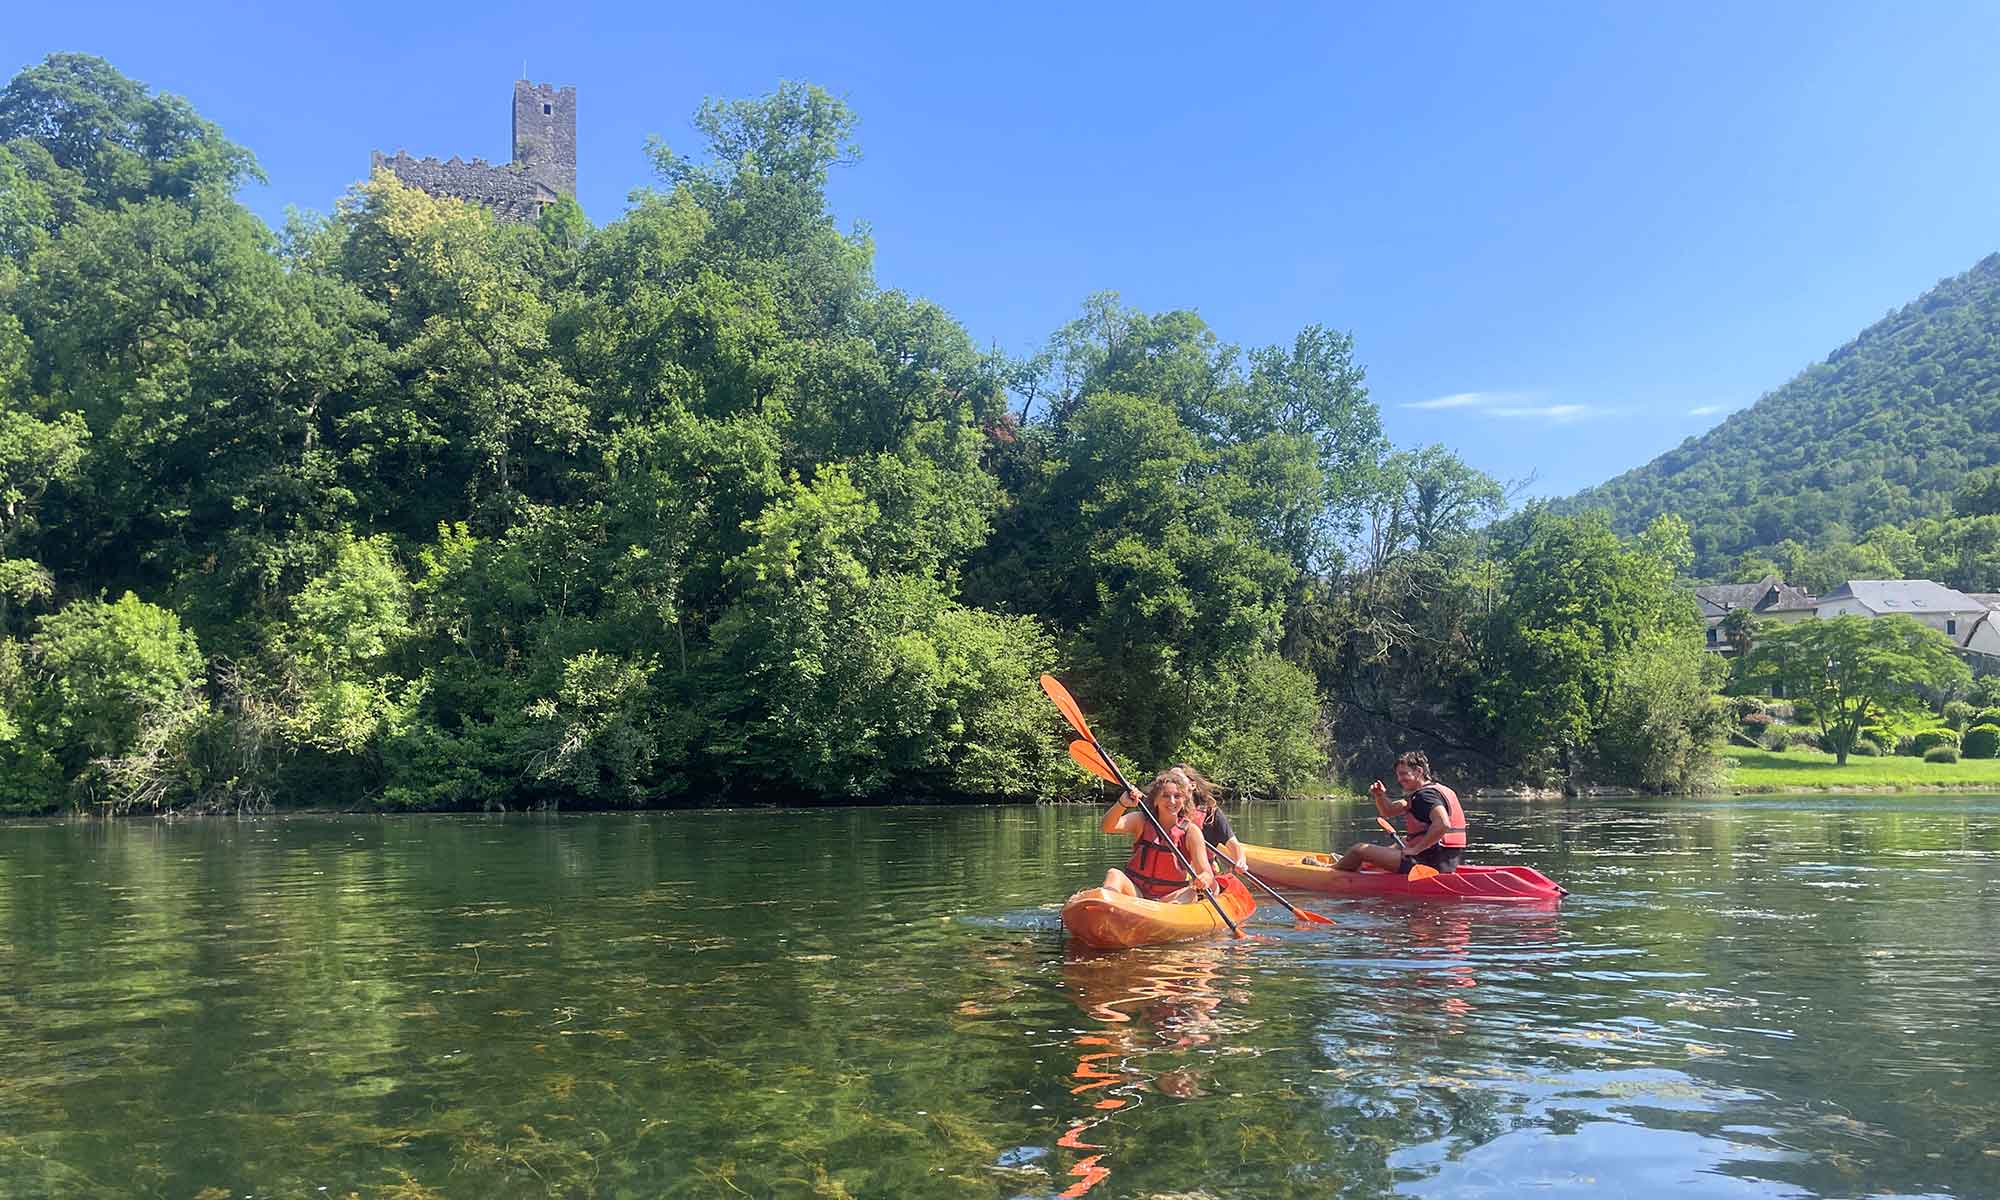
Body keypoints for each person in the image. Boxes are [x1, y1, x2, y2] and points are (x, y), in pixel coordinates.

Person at [1331, 749, 1467, 874]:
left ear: (1419, 771)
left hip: (1425, 865)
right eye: (1398, 775)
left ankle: (1331, 871)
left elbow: (1443, 824)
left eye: (1403, 774)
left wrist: (1415, 849)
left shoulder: (1425, 796)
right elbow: (1388, 811)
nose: (1399, 779)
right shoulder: (1432, 792)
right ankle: (1354, 863)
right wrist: (1380, 795)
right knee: (1396, 845)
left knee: (1359, 850)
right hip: (1446, 863)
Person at [1097, 767, 1217, 900]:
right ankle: (1106, 909)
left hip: (1170, 898)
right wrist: (1122, 804)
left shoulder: (1191, 832)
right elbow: (1106, 827)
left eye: (1177, 796)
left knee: (1191, 893)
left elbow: (1206, 873)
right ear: (1155, 800)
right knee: (1114, 874)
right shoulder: (1141, 820)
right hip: (1137, 893)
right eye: (1165, 796)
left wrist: (1203, 879)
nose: (1172, 801)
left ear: (1184, 801)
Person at [1179, 764, 1246, 874]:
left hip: (1203, 876)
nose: (1174, 783)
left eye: (1178, 780)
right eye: (1170, 780)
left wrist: (1240, 860)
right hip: (1174, 875)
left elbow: (1233, 844)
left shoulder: (1211, 814)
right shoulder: (1164, 811)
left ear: (1192, 785)